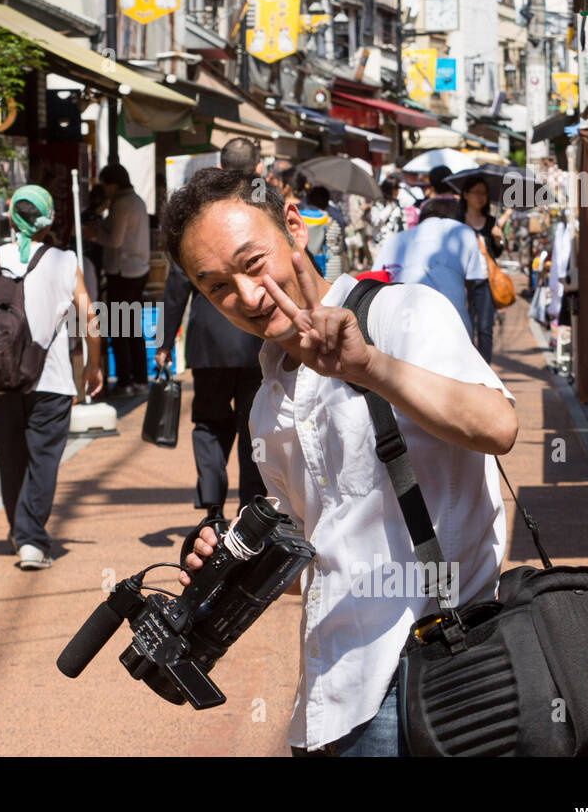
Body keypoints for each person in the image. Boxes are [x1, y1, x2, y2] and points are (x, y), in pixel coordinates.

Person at [160, 167, 518, 756]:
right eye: (218, 286)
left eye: (254, 264)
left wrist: (367, 367)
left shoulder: (401, 314)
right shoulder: (268, 401)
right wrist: (233, 568)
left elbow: (498, 426)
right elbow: (318, 557)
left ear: (294, 228)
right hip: (332, 695)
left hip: (434, 672)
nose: (248, 297)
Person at [0, 185, 103, 570]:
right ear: (47, 223)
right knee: (43, 459)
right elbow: (90, 318)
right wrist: (94, 364)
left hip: (0, 378)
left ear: (12, 217)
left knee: (11, 458)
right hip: (52, 381)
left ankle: (20, 530)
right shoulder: (65, 261)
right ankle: (30, 539)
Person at [155, 139, 269, 522]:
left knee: (208, 422)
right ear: (257, 168)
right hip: (258, 336)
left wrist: (164, 342)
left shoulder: (200, 211)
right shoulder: (265, 205)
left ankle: (212, 504)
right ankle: (253, 505)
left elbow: (176, 287)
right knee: (256, 424)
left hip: (208, 342)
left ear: (220, 166)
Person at [372, 194, 490, 340]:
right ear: (457, 217)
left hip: (399, 323)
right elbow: (472, 281)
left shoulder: (398, 238)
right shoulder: (464, 232)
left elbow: (375, 279)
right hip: (452, 325)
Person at [95, 163, 151, 395]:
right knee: (133, 328)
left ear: (113, 184)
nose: (104, 189)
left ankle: (125, 381)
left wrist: (95, 232)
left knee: (119, 329)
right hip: (139, 270)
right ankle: (140, 378)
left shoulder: (121, 204)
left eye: (105, 184)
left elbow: (115, 241)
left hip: (122, 272)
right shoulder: (137, 201)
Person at [458, 175, 505, 364]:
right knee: (464, 325)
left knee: (485, 328)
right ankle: (466, 367)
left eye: (484, 194)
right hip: (462, 281)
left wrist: (497, 239)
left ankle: (485, 368)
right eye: (476, 193)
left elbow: (497, 253)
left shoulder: (491, 222)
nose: (480, 197)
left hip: (486, 279)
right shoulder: (456, 220)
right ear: (466, 194)